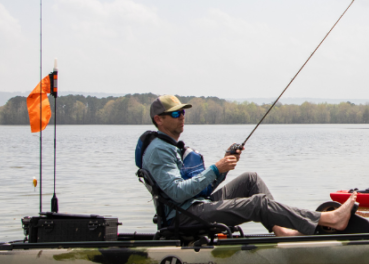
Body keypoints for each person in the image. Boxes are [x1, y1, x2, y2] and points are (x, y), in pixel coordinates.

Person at [139, 95, 357, 237]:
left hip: (194, 205)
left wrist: (222, 168)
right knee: (258, 204)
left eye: (183, 112)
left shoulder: (169, 146)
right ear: (158, 120)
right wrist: (216, 168)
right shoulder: (159, 150)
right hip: (184, 216)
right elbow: (177, 193)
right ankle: (329, 219)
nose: (182, 117)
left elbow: (198, 188)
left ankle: (281, 231)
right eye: (176, 114)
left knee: (251, 180)